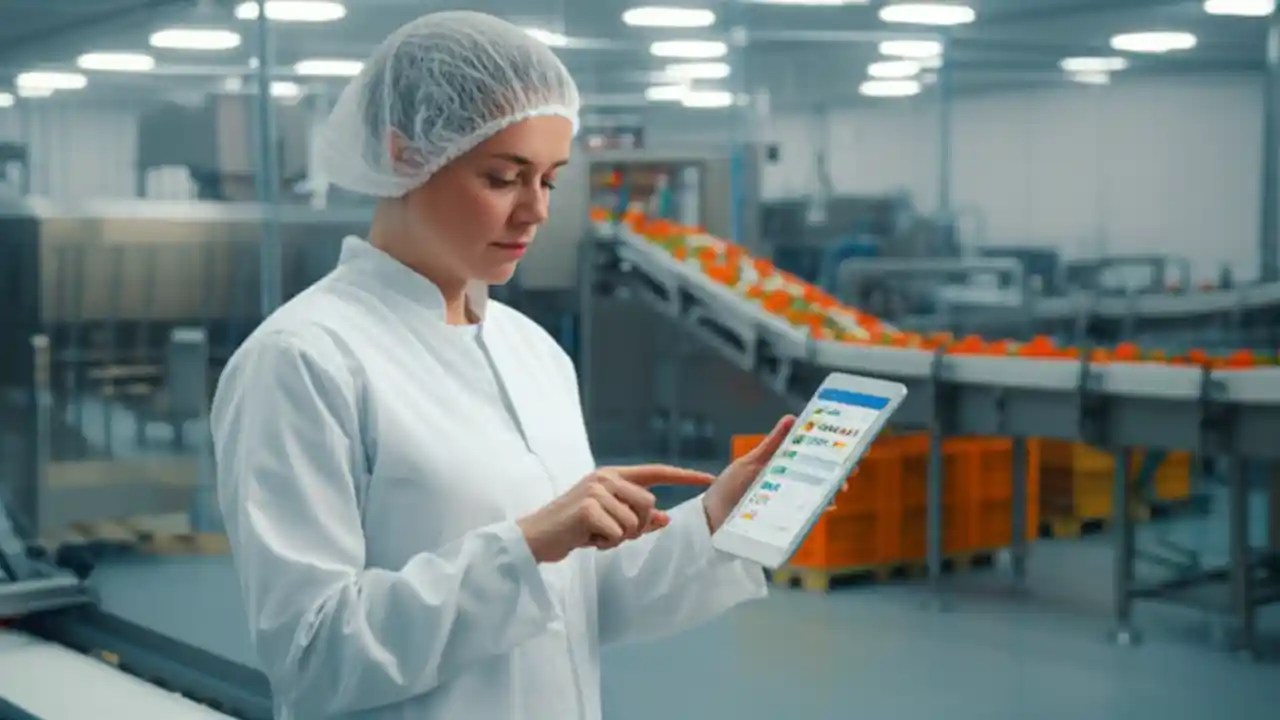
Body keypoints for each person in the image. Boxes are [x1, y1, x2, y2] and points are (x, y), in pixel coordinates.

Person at [211, 10, 794, 720]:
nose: (536, 211)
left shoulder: (532, 352)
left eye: (549, 179)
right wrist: (522, 546)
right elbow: (314, 657)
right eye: (503, 177)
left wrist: (716, 521)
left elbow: (580, 600)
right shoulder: (303, 360)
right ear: (403, 155)